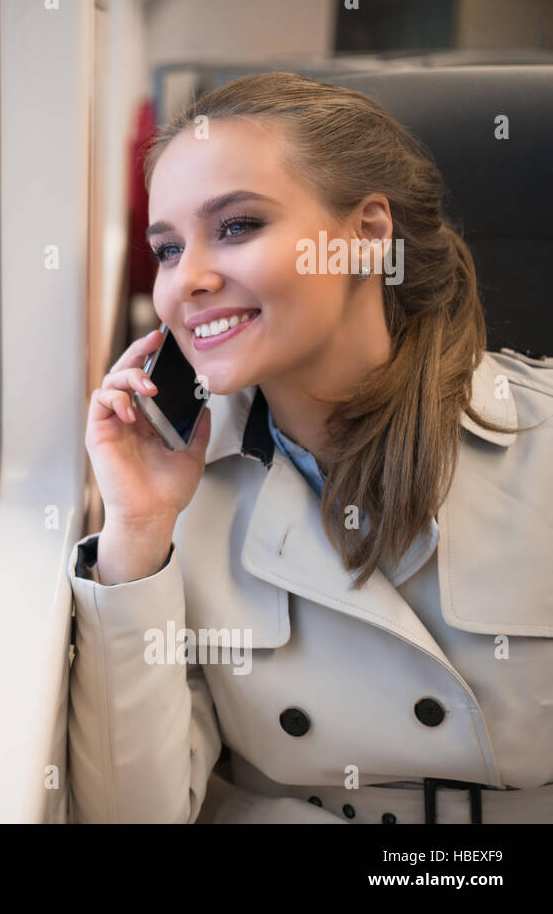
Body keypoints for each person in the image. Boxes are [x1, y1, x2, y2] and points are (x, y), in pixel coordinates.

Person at [68, 71, 553, 824]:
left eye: (236, 227)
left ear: (366, 236)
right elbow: (136, 815)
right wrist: (136, 531)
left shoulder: (541, 441)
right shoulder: (173, 491)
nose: (186, 281)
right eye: (166, 249)